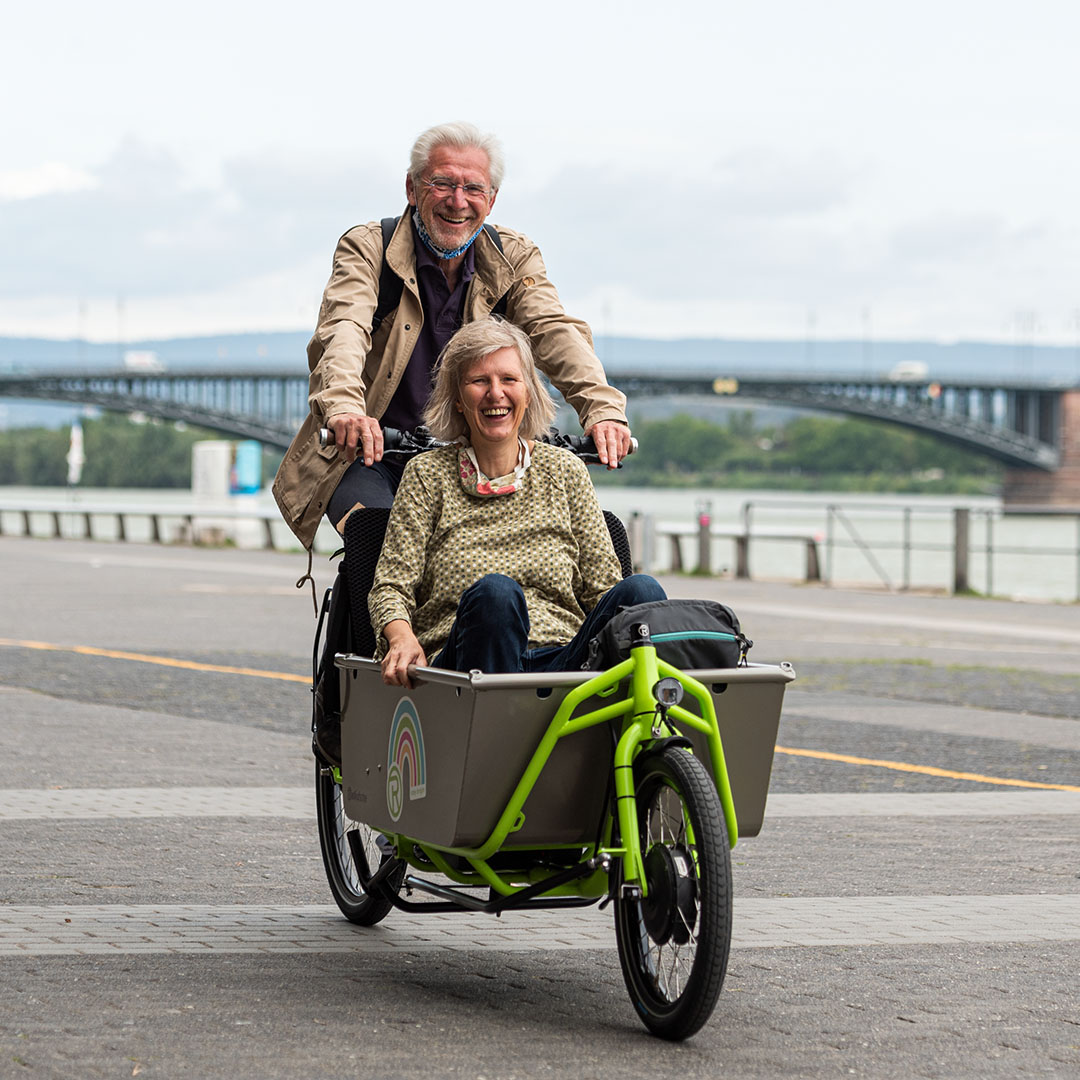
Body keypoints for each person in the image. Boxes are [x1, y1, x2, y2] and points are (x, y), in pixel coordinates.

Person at [273, 121, 632, 551]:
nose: (457, 202)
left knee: (558, 546)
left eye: (473, 189)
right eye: (442, 183)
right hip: (372, 454)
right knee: (378, 544)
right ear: (412, 188)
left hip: (480, 455)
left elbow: (553, 330)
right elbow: (343, 329)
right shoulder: (368, 248)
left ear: (492, 200)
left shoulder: (513, 258)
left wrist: (603, 409)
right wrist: (346, 409)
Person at [368, 318, 665, 686]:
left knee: (643, 593)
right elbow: (391, 587)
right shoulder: (426, 475)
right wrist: (400, 637)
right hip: (468, 665)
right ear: (458, 400)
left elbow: (603, 589)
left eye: (509, 379)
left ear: (529, 393)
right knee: (497, 593)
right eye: (480, 381)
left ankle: (653, 733)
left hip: (563, 662)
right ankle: (498, 733)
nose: (496, 394)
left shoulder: (566, 471)